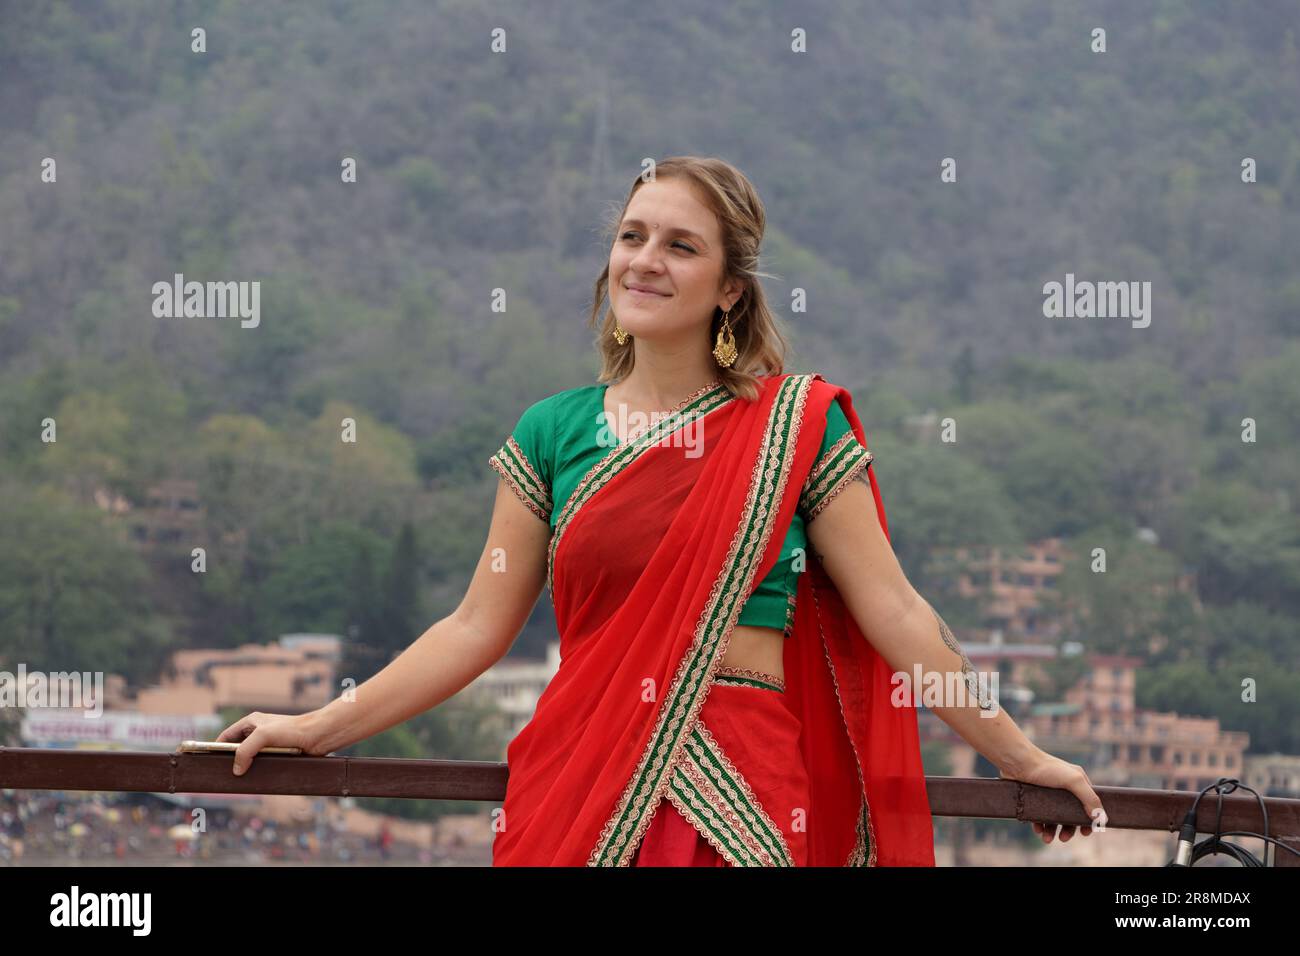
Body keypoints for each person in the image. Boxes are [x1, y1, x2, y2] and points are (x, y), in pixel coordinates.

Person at [216, 155, 1104, 865]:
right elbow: (474, 627)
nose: (644, 260)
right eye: (632, 236)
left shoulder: (796, 428)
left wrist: (1018, 755)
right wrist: (316, 727)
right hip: (581, 773)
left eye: (680, 245)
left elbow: (899, 613)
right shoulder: (551, 432)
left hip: (744, 786)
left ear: (729, 288)